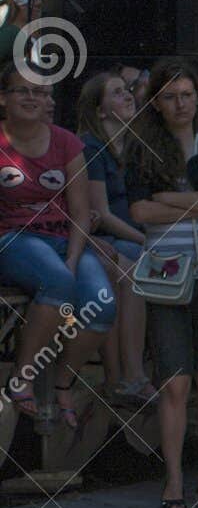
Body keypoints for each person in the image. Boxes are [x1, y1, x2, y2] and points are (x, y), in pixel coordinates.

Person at [124, 59, 198, 508]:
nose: (179, 104)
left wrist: (167, 198)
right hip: (165, 273)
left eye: (186, 95)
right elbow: (138, 214)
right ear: (156, 101)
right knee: (174, 382)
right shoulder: (141, 144)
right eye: (169, 96)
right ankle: (173, 478)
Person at [0, 64, 117, 431]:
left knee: (103, 303)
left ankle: (63, 383)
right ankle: (22, 379)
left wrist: (72, 256)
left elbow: (82, 213)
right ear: (3, 98)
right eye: (23, 91)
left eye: (41, 92)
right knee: (56, 281)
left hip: (64, 239)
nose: (33, 98)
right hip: (13, 239)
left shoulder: (67, 142)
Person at [76, 69, 154, 407]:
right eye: (117, 93)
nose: (128, 97)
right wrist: (146, 239)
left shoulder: (134, 147)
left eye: (128, 91)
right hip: (102, 239)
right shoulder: (91, 148)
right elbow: (102, 214)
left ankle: (137, 373)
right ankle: (127, 375)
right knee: (131, 266)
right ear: (99, 110)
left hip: (133, 236)